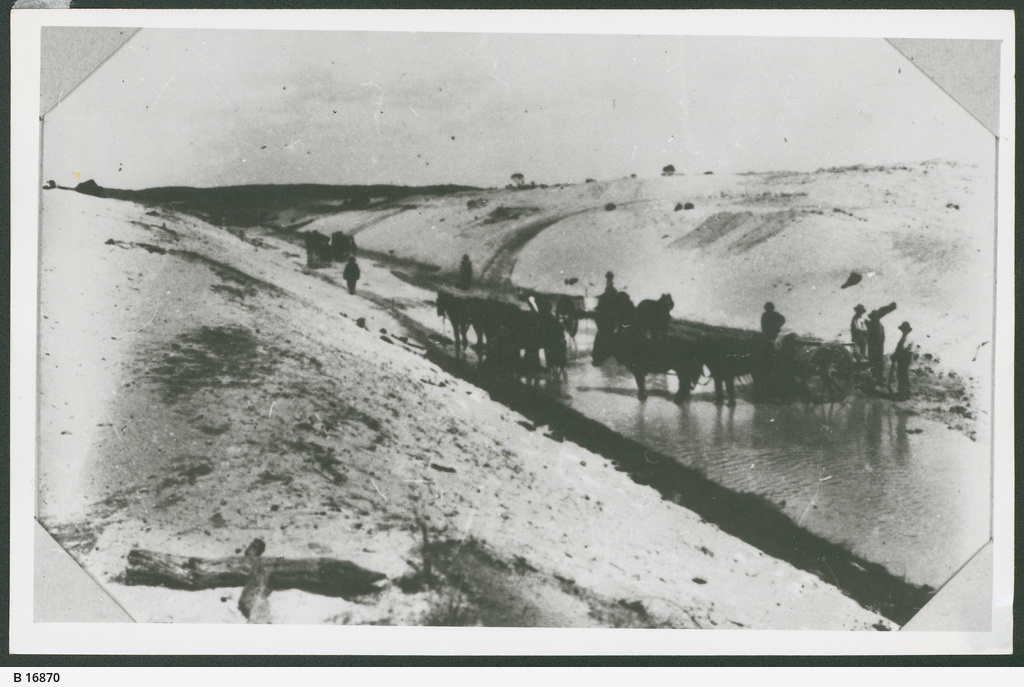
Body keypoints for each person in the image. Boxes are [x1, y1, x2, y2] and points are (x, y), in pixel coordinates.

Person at [866, 302, 897, 384]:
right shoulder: (878, 325)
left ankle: (877, 380)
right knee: (878, 364)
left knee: (875, 364)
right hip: (878, 348)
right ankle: (879, 379)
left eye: (873, 317)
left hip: (874, 348)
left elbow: (875, 338)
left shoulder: (875, 326)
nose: (873, 318)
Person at [889, 321, 916, 400]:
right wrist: (895, 354)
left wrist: (896, 354)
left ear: (907, 330)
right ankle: (903, 392)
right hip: (901, 357)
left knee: (903, 375)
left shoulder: (908, 338)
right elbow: (898, 348)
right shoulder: (903, 337)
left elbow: (903, 348)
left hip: (905, 357)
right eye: (903, 329)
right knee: (901, 374)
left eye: (905, 329)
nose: (903, 331)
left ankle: (904, 393)